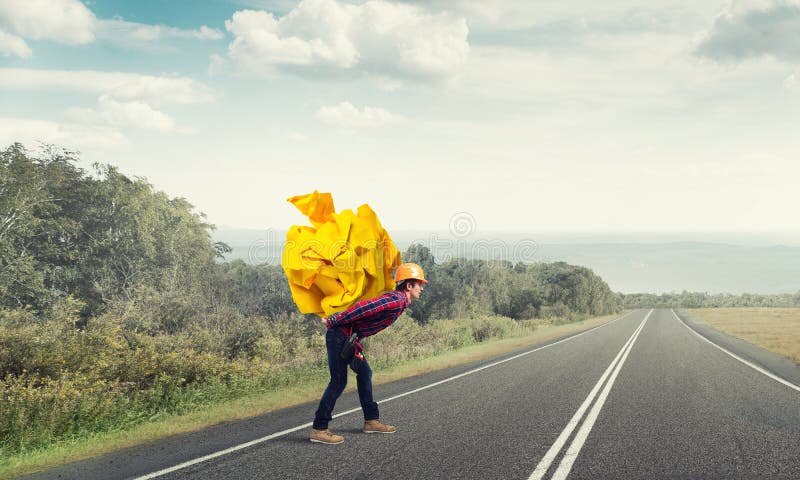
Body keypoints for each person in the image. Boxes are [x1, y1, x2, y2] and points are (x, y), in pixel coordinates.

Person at [309, 263, 427, 445]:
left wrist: (356, 340)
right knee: (338, 381)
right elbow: (364, 307)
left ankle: (371, 421)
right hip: (339, 335)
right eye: (420, 283)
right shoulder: (396, 300)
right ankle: (319, 429)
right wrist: (334, 320)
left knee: (365, 373)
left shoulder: (400, 302)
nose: (422, 287)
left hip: (349, 338)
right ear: (409, 286)